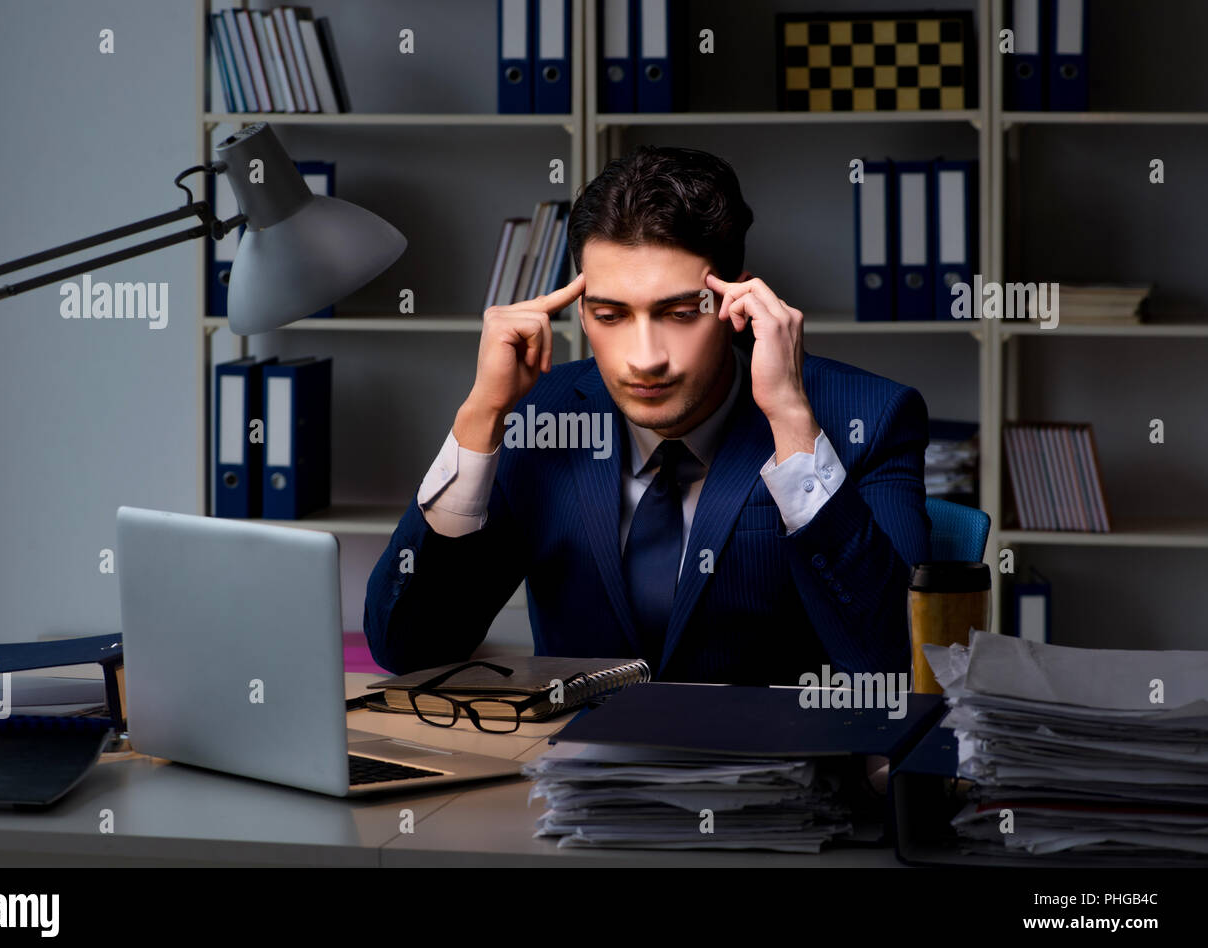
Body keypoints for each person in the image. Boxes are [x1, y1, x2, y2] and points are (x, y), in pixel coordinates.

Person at [364, 145, 931, 684]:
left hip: (774, 774)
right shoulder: (538, 416)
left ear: (737, 305)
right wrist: (479, 416)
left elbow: (895, 668)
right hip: (575, 774)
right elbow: (410, 650)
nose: (645, 359)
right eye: (610, 315)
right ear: (580, 313)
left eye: (682, 313)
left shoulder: (870, 417)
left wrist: (789, 418)